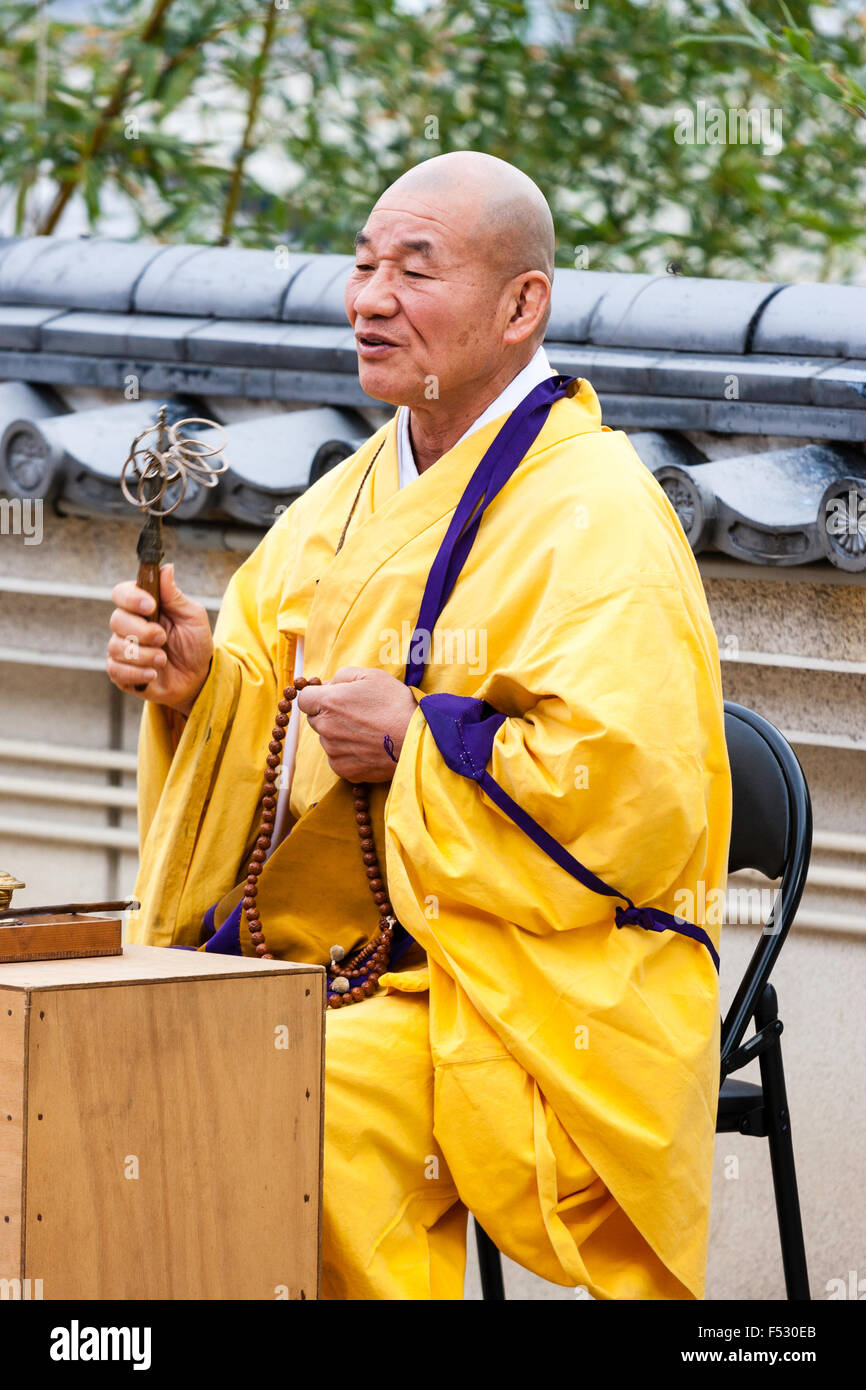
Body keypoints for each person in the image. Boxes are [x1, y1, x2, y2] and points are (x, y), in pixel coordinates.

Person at [107, 151, 732, 1301]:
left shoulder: (599, 513)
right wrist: (201, 684)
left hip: (513, 969)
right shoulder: (347, 492)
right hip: (329, 953)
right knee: (110, 1061)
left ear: (520, 304)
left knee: (299, 1097)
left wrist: (416, 738)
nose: (368, 296)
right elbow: (263, 691)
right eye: (359, 264)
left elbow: (628, 800)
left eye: (414, 267)